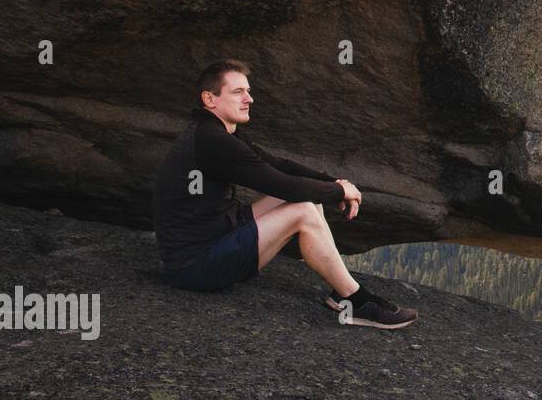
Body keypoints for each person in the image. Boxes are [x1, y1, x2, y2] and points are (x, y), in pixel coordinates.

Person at [151, 59, 417, 329]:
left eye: (248, 91)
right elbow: (283, 186)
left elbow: (280, 165)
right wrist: (338, 191)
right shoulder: (213, 140)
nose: (249, 99)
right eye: (238, 92)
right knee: (302, 210)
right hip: (194, 266)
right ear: (209, 99)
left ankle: (342, 294)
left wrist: (334, 183)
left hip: (215, 235)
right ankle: (356, 301)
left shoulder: (219, 133)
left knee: (307, 199)